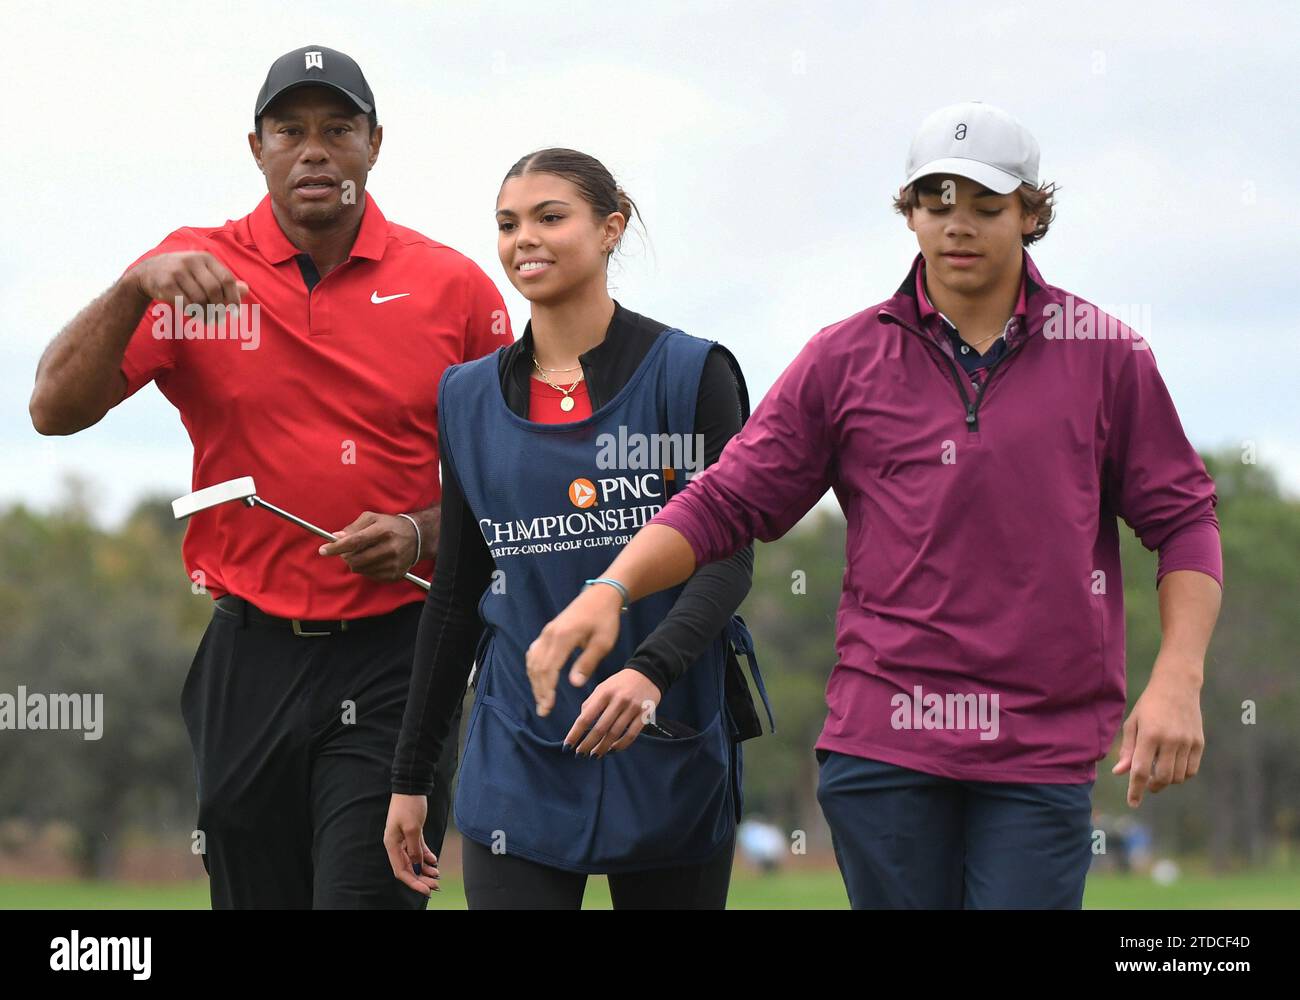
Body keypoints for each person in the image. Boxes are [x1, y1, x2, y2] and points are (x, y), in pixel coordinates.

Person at [524, 103, 1224, 909]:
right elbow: (726, 500)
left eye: (987, 206)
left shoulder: (1104, 353)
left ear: (1032, 214)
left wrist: (1179, 674)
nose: (957, 225)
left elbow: (1183, 522)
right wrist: (612, 589)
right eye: (936, 203)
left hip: (1041, 746)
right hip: (886, 741)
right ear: (910, 211)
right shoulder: (844, 357)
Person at [28, 45, 512, 908]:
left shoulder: (454, 288)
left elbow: (516, 476)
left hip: (401, 651)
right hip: (247, 654)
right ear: (257, 147)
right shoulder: (187, 271)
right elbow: (53, 410)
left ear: (375, 144)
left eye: (338, 129)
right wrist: (134, 288)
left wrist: (418, 532)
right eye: (291, 130)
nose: (314, 150)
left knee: (364, 895)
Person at [383, 148, 769, 909]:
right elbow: (457, 594)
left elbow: (726, 561)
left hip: (667, 732)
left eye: (550, 217)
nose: (524, 238)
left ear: (610, 229)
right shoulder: (464, 398)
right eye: (507, 223)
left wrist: (651, 672)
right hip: (519, 751)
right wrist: (410, 777)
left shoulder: (693, 374)